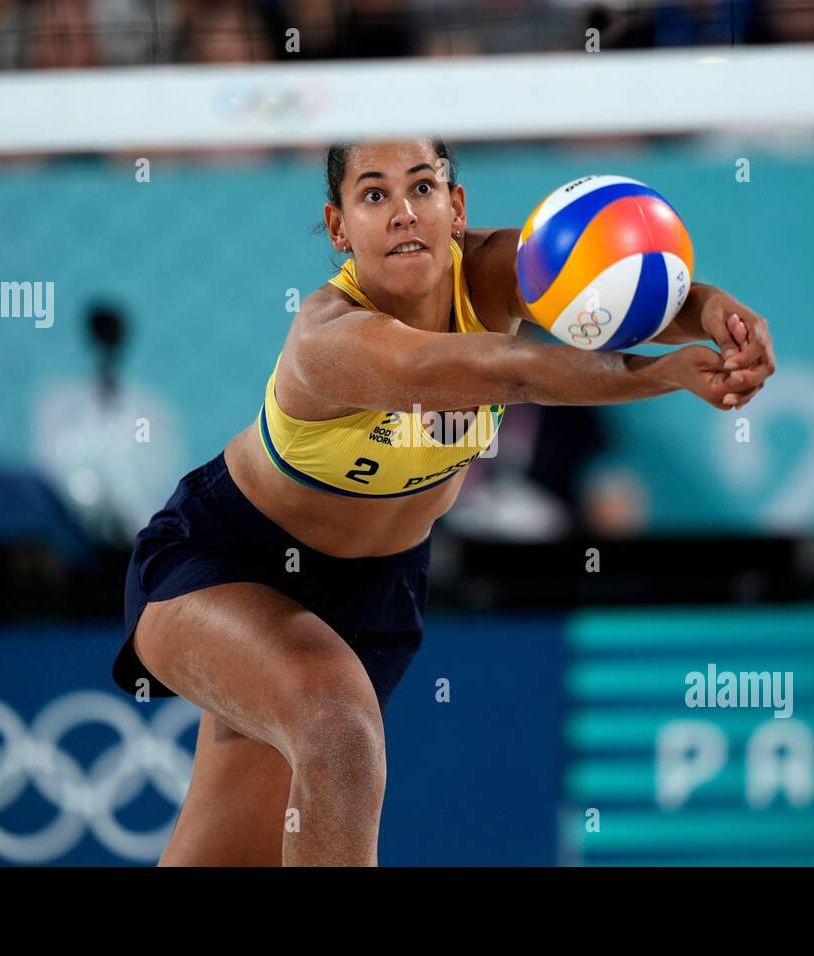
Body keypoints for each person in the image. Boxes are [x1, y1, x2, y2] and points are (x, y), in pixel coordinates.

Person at [111, 138, 776, 865]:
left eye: (422, 188)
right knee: (339, 732)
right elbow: (509, 372)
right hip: (227, 561)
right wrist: (665, 375)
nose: (403, 213)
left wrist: (718, 313)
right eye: (373, 195)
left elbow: (622, 281)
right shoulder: (328, 339)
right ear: (339, 228)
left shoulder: (496, 274)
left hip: (375, 594)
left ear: (455, 208)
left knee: (226, 853)